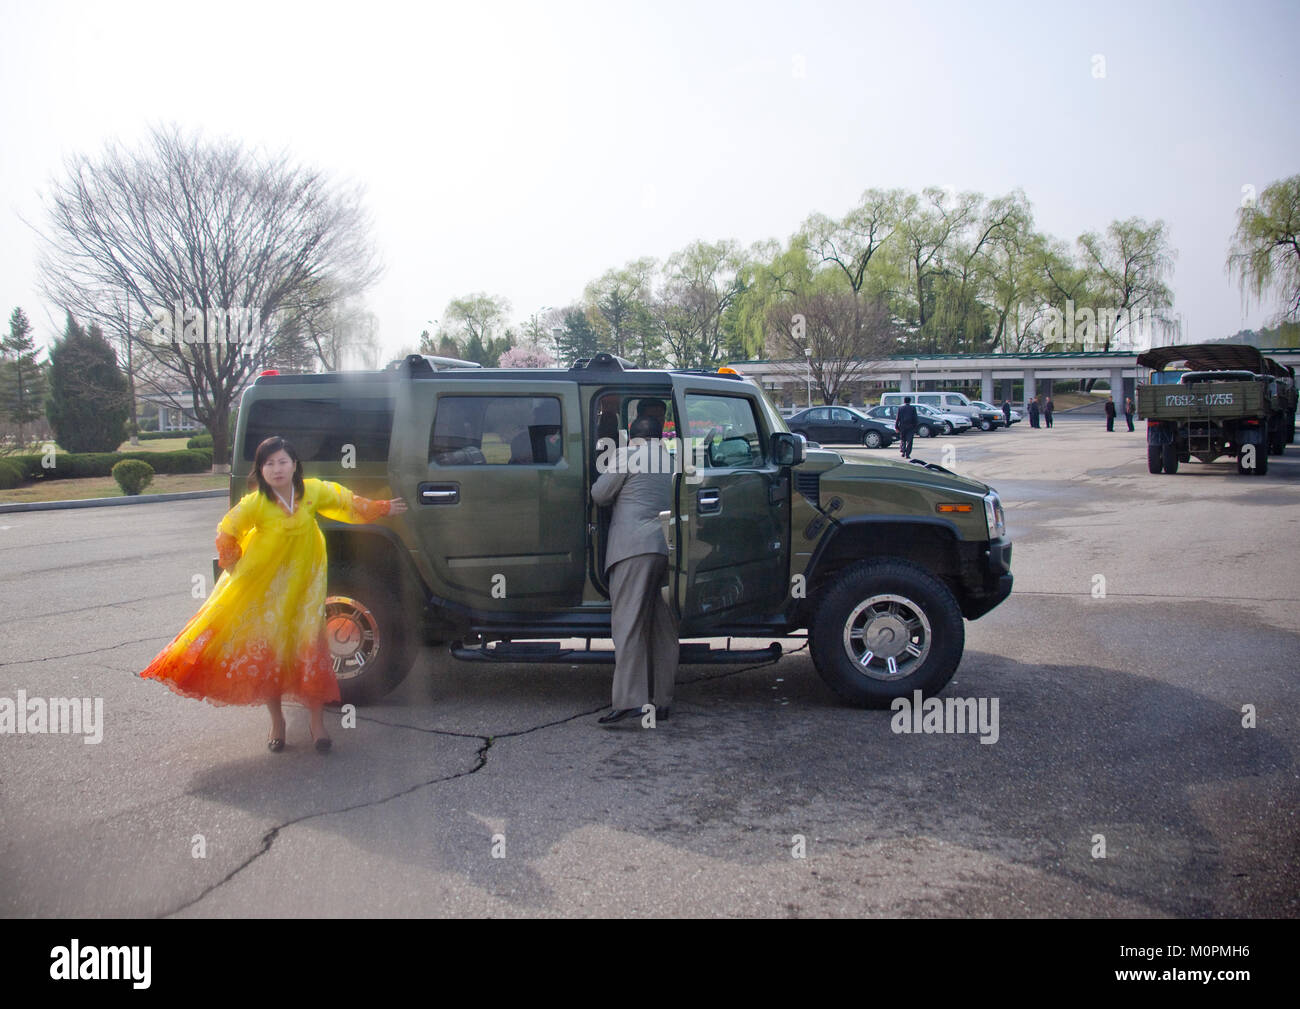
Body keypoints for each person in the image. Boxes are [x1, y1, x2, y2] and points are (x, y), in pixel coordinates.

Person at [140, 436, 407, 753]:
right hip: (265, 589)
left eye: (282, 462)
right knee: (271, 654)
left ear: (295, 465)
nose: (277, 469)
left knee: (310, 649)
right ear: (260, 470)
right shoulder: (255, 504)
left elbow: (345, 501)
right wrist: (230, 554)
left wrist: (381, 507)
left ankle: (317, 725)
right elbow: (228, 528)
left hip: (306, 587)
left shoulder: (312, 492)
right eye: (269, 463)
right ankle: (277, 723)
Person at [591, 415, 679, 726]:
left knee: (628, 624)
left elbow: (599, 494)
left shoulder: (629, 454)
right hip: (666, 548)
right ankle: (661, 699)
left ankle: (630, 701)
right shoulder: (671, 458)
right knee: (661, 626)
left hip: (632, 549)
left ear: (632, 435)